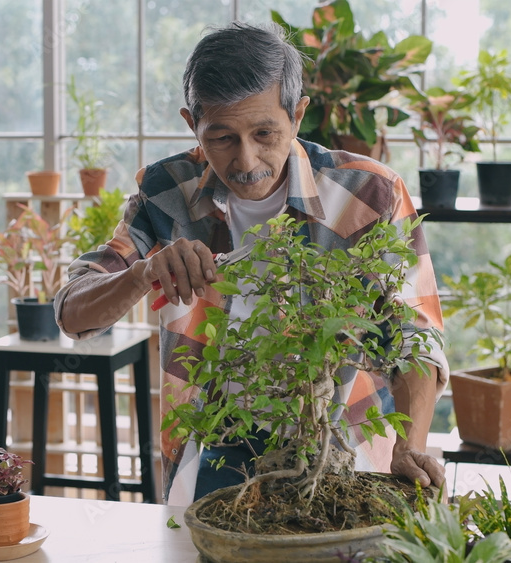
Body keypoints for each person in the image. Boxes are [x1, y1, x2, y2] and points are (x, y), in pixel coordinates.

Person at [55, 22, 449, 505]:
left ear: (298, 114)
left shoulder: (370, 193)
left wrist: (411, 447)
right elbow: (73, 313)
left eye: (265, 133)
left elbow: (417, 335)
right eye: (222, 138)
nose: (246, 161)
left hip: (347, 446)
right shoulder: (166, 192)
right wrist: (144, 272)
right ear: (191, 125)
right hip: (215, 444)